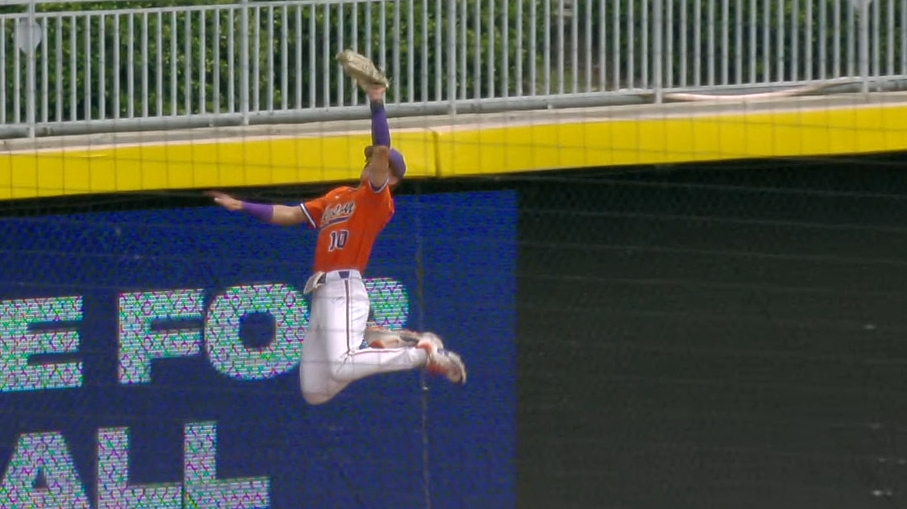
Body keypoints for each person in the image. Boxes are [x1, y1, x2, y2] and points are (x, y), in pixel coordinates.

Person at [206, 85, 466, 405]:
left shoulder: (376, 199)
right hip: (321, 291)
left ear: (391, 178)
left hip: (345, 285)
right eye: (370, 158)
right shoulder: (338, 196)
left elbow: (383, 147)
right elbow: (291, 213)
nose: (372, 161)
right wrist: (243, 206)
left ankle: (421, 354)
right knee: (314, 390)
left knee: (342, 364)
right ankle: (376, 346)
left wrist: (376, 103)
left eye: (379, 161)